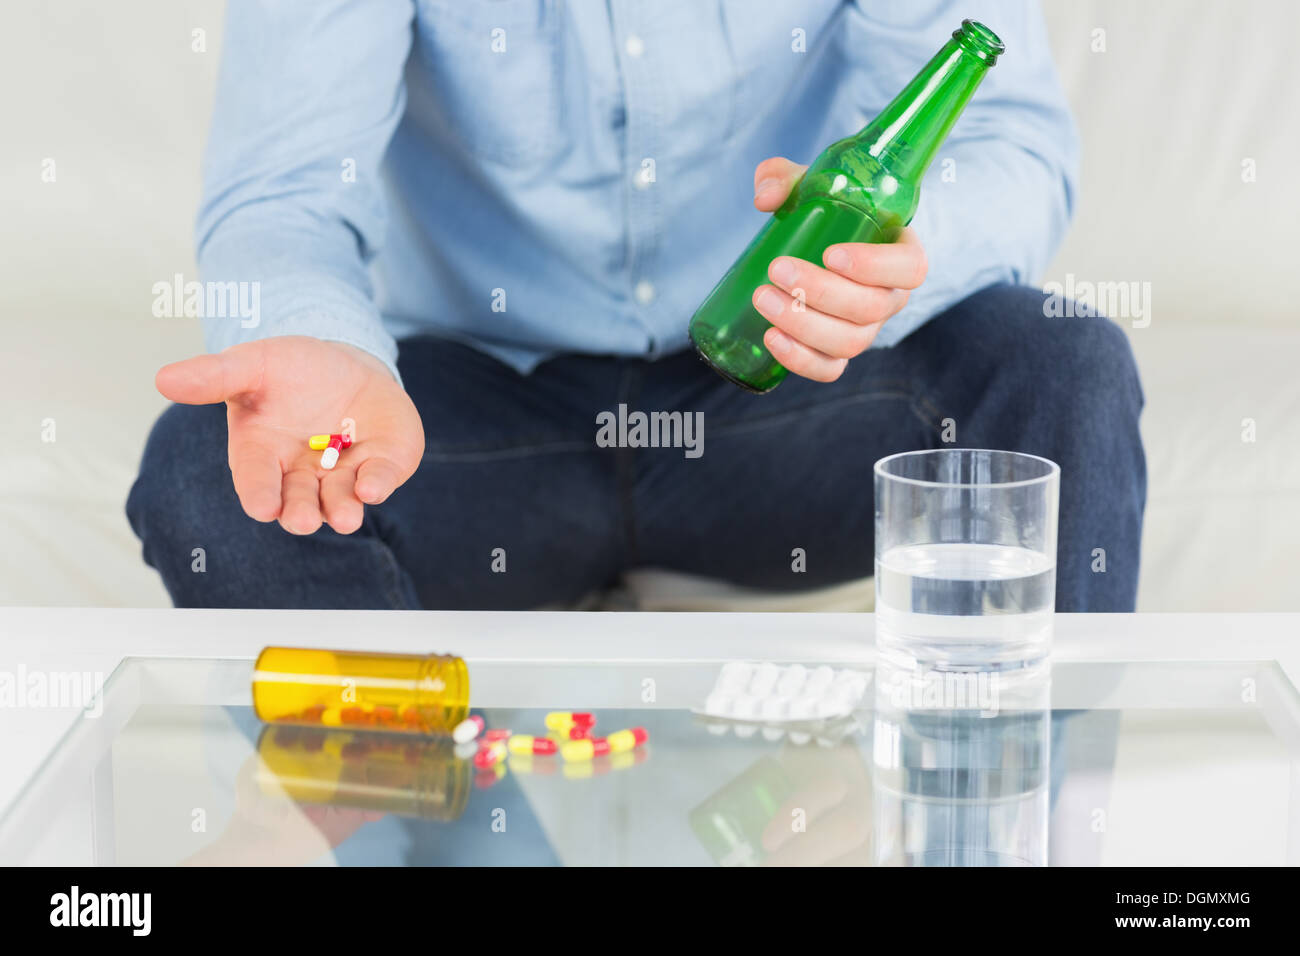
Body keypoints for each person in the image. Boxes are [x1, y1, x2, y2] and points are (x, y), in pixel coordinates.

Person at [128, 0, 1145, 611]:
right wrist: (313, 341)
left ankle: (1015, 824)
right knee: (216, 469)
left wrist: (902, 264)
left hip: (786, 395)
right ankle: (407, 816)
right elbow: (283, 195)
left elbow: (1008, 142)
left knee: (1064, 368)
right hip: (469, 416)